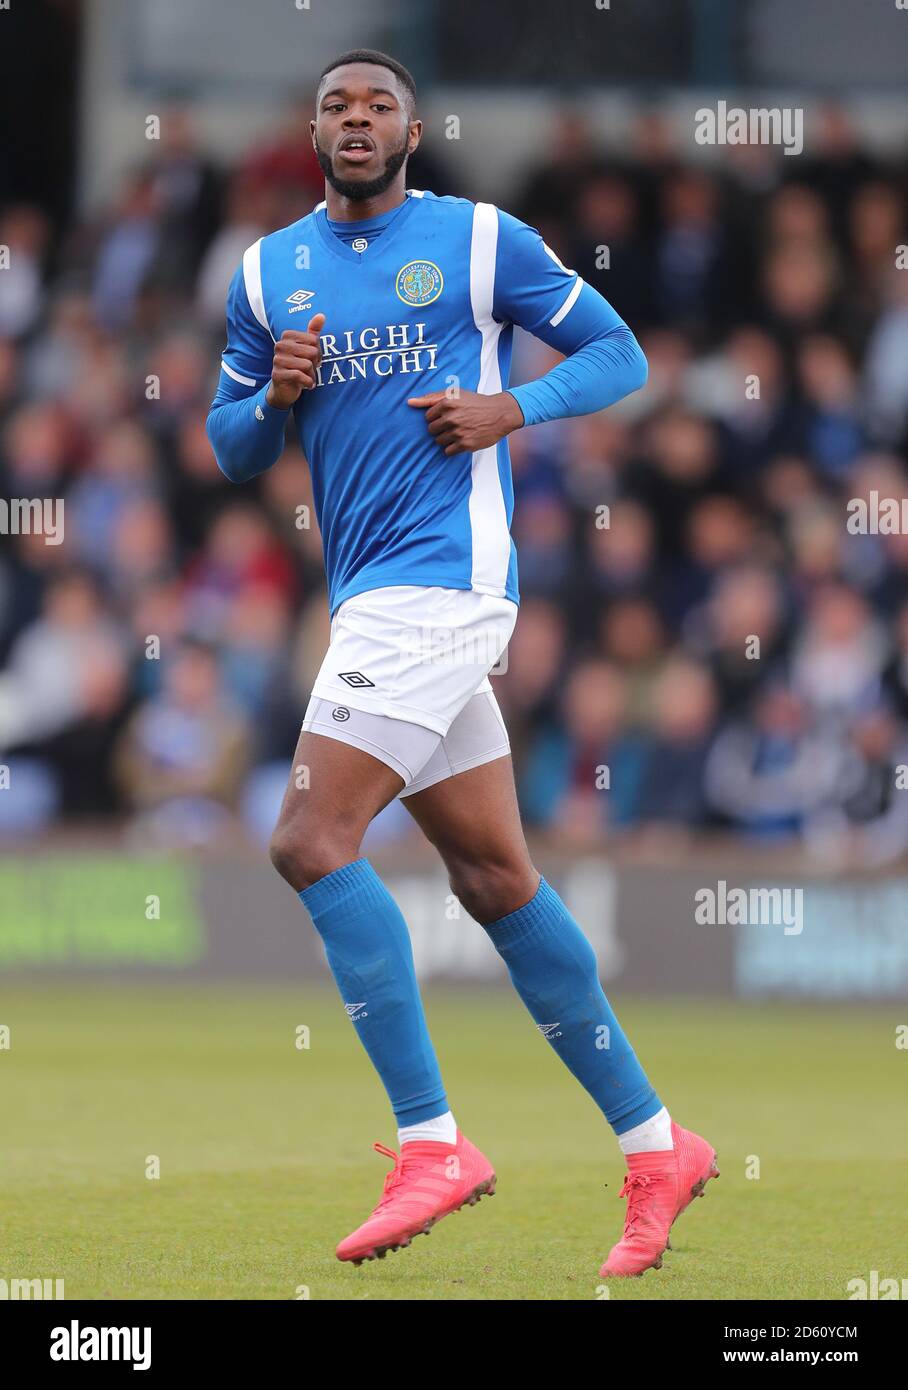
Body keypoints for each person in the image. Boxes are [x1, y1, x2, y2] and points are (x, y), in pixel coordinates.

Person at [206, 48, 717, 1280]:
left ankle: (433, 1140)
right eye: (336, 104)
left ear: (413, 128)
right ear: (315, 127)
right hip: (372, 598)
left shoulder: (479, 239)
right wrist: (272, 398)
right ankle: (657, 1144)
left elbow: (619, 354)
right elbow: (228, 449)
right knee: (494, 876)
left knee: (307, 840)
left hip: (443, 585)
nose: (357, 119)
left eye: (378, 104)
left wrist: (514, 411)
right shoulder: (267, 271)